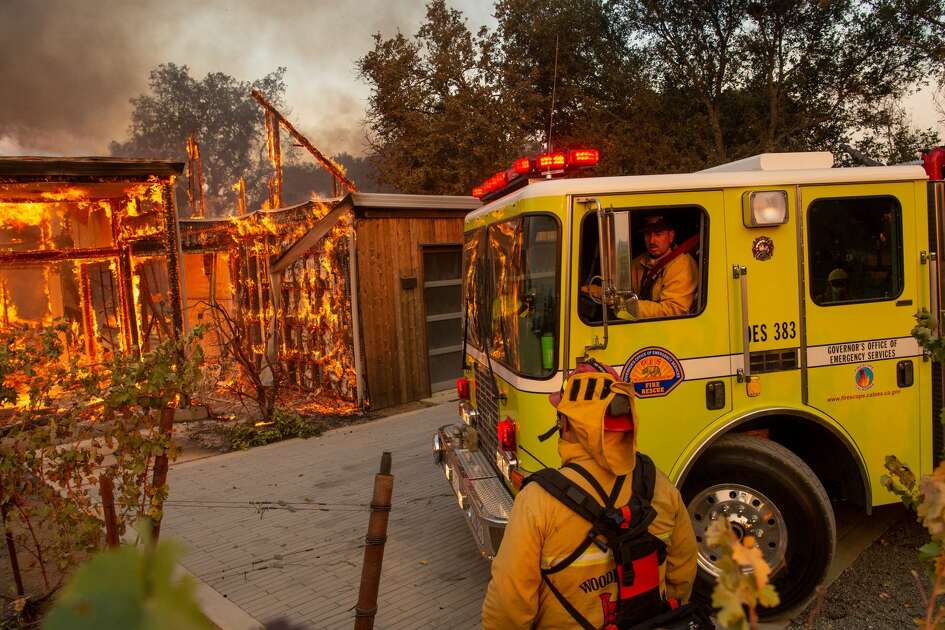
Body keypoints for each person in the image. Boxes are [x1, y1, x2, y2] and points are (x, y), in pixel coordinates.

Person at [482, 361, 700, 630]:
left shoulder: (537, 501)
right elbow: (683, 573)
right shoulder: (659, 486)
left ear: (569, 424)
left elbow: (508, 602)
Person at [629, 214, 698, 319]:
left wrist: (629, 306)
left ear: (671, 236)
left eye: (658, 234)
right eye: (647, 234)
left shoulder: (682, 264)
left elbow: (674, 310)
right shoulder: (637, 263)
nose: (651, 241)